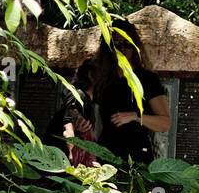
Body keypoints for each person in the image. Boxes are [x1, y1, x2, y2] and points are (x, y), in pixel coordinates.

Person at [93, 22, 170, 164]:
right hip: (106, 154)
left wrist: (135, 117)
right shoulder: (101, 78)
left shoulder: (147, 79)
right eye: (116, 44)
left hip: (137, 154)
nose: (122, 49)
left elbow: (165, 123)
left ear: (135, 47)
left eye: (127, 44)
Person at [43, 60, 97, 167]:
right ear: (91, 75)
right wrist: (72, 154)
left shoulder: (89, 100)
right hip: (58, 156)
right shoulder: (78, 95)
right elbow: (68, 129)